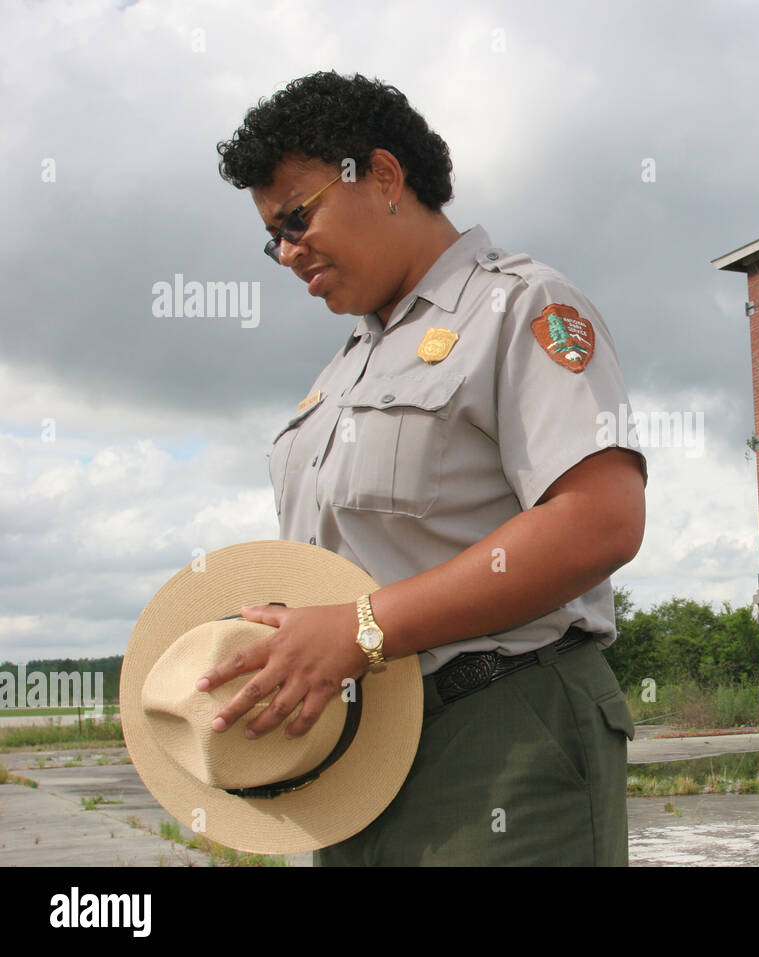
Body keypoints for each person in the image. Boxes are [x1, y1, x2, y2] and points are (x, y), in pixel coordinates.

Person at [203, 70, 648, 865]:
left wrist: (365, 628)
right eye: (270, 236)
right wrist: (296, 625)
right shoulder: (343, 372)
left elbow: (601, 518)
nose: (285, 250)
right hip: (355, 756)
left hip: (501, 735)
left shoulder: (520, 306)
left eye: (297, 217)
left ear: (381, 176)